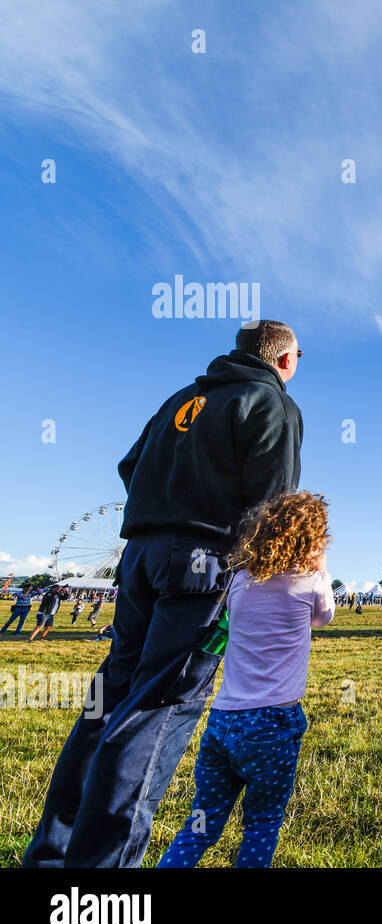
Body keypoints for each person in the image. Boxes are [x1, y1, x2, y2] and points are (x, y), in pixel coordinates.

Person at [24, 319, 304, 869]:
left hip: (139, 557)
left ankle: (54, 858)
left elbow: (129, 465)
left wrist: (167, 505)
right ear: (287, 359)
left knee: (108, 699)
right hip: (203, 564)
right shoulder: (271, 403)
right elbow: (275, 505)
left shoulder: (184, 397)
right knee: (159, 706)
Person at [158, 491, 333, 868]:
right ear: (314, 539)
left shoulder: (239, 580)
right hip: (274, 721)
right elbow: (322, 618)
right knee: (263, 823)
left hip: (223, 717)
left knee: (199, 826)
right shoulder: (310, 582)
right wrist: (320, 566)